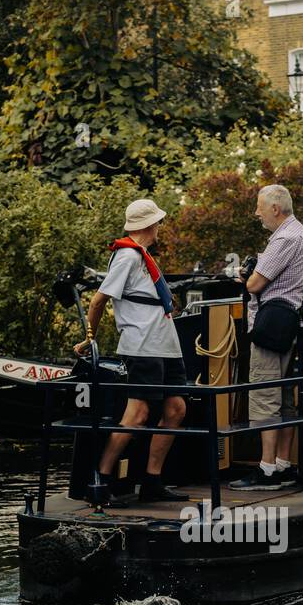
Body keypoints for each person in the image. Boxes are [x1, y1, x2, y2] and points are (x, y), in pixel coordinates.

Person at [75, 198, 187, 503]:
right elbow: (99, 300)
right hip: (143, 344)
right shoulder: (126, 256)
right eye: (158, 222)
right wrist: (89, 337)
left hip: (165, 344)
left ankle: (152, 480)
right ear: (150, 225)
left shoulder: (143, 256)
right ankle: (101, 478)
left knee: (176, 410)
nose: (160, 227)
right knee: (137, 414)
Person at [229, 184, 303, 492]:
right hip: (291, 324)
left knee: (264, 395)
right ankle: (282, 464)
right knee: (284, 398)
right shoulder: (302, 234)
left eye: (260, 207)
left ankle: (266, 472)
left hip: (270, 327)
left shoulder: (284, 239)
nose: (257, 212)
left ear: (275, 209)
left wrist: (245, 276)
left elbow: (254, 284)